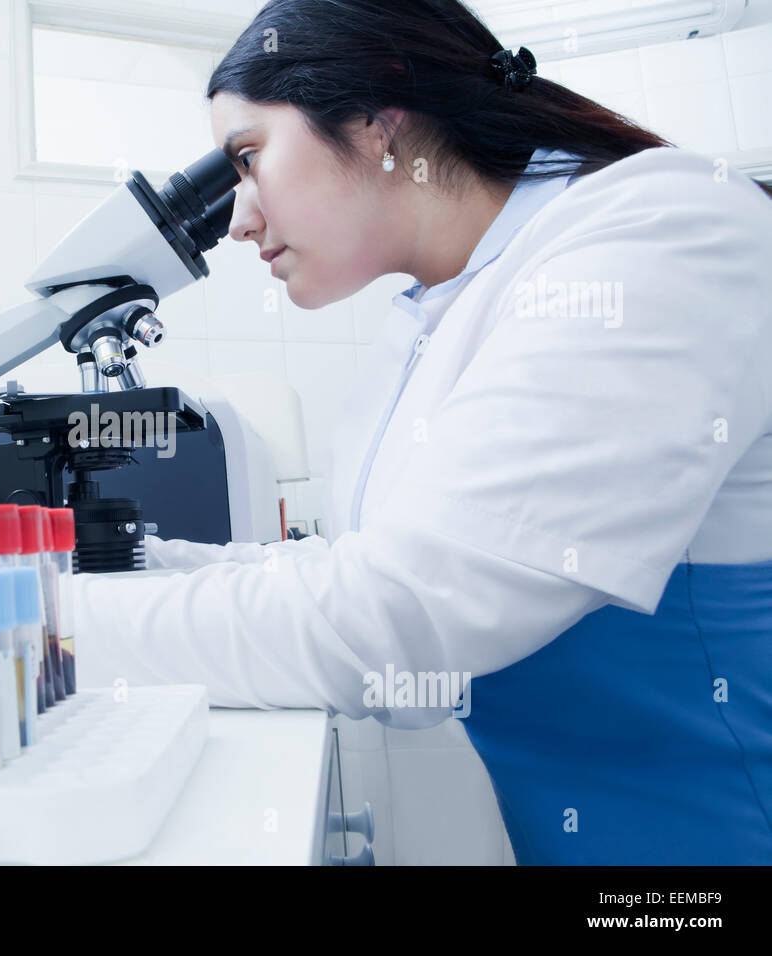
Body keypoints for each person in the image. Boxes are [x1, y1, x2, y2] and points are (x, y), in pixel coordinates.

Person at [71, 0, 772, 865]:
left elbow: (399, 610)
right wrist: (121, 565)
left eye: (248, 160)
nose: (239, 217)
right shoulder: (443, 311)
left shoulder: (656, 230)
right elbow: (355, 565)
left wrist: (46, 627)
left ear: (373, 119)